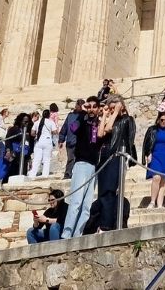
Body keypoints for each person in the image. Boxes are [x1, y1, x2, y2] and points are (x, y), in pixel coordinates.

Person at [62, 97, 102, 238]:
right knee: (76, 201)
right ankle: (67, 234)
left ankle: (77, 234)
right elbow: (72, 129)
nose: (91, 109)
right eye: (89, 106)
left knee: (86, 205)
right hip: (81, 164)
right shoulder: (82, 122)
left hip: (94, 166)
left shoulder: (99, 125)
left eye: (94, 107)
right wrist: (82, 113)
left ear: (98, 108)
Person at [96, 97, 135, 230]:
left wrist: (117, 111)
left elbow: (109, 129)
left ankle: (106, 225)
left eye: (114, 108)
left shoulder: (127, 120)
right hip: (105, 157)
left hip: (116, 156)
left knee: (109, 189)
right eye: (111, 108)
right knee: (102, 191)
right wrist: (104, 115)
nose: (112, 110)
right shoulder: (111, 120)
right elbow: (100, 134)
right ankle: (102, 222)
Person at [30, 106, 59, 179]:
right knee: (46, 159)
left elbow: (32, 133)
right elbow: (55, 132)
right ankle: (45, 175)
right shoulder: (51, 122)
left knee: (36, 159)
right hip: (47, 141)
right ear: (49, 115)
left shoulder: (37, 122)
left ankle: (32, 174)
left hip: (38, 141)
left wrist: (38, 134)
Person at [61, 99, 87, 178]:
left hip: (81, 142)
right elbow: (65, 127)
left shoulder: (86, 115)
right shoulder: (70, 116)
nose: (77, 107)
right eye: (77, 105)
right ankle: (68, 174)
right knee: (70, 159)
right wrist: (61, 139)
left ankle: (79, 174)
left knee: (80, 159)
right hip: (71, 141)